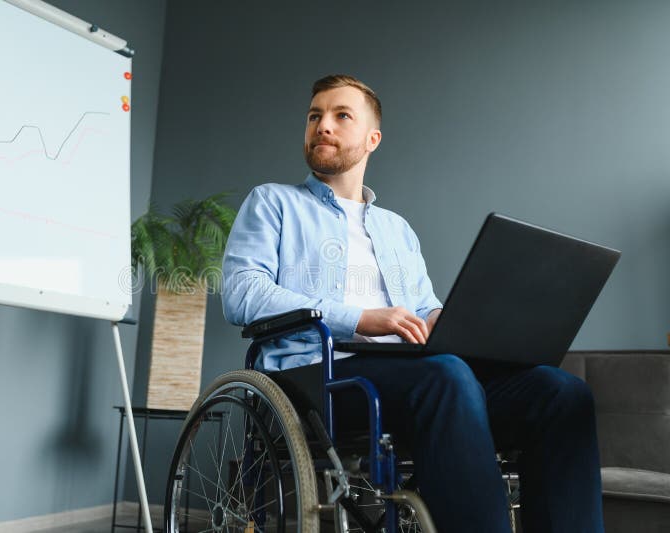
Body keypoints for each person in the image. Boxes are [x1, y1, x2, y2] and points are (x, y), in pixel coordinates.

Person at [221, 74, 603, 532]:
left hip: (412, 373)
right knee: (447, 375)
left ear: (372, 138)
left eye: (342, 115)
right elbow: (241, 292)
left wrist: (459, 322)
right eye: (314, 116)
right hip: (316, 378)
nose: (324, 125)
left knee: (560, 392)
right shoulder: (272, 203)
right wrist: (363, 318)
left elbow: (425, 307)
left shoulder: (396, 229)